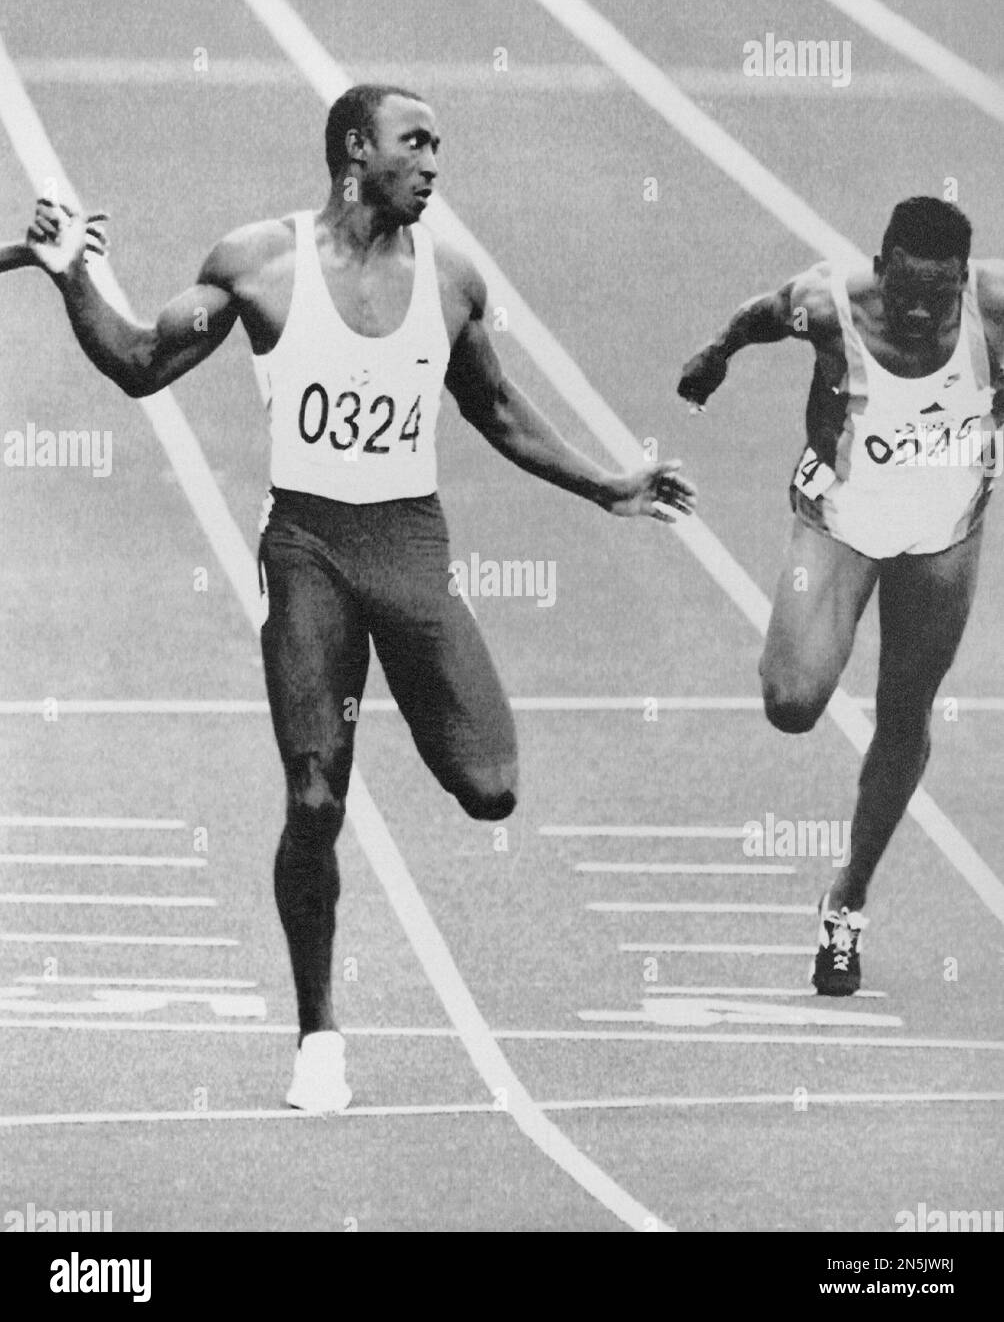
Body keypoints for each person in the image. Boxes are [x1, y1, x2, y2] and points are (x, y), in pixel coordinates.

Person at [28, 83, 695, 1109]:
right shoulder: (259, 263)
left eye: (439, 146)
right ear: (354, 150)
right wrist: (70, 274)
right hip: (308, 548)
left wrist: (608, 482)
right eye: (414, 142)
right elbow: (137, 363)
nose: (433, 163)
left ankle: (412, 727)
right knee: (313, 795)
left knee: (490, 787)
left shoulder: (454, 277)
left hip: (406, 547)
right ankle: (319, 1034)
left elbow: (499, 411)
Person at [678, 197, 1004, 996]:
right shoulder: (826, 305)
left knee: (905, 713)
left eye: (940, 294)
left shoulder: (993, 311)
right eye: (906, 294)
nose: (922, 311)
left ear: (963, 278)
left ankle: (847, 898)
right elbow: (757, 317)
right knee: (791, 700)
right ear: (879, 267)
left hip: (944, 528)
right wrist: (714, 357)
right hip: (842, 518)